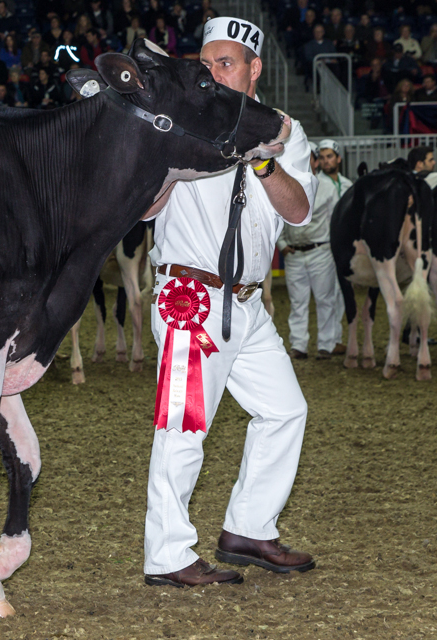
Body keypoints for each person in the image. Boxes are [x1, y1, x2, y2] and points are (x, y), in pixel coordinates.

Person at [142, 17, 318, 588]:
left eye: (226, 63)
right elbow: (143, 209)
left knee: (285, 411)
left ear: (254, 69)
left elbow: (297, 212)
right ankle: (167, 555)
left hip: (247, 303)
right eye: (206, 63)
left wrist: (262, 159)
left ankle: (249, 528)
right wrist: (174, 160)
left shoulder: (287, 132)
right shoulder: (180, 122)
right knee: (185, 426)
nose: (213, 73)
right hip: (188, 295)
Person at [278, 139, 350, 360]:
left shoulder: (328, 187)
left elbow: (337, 221)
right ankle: (298, 345)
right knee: (298, 301)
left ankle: (326, 345)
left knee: (325, 299)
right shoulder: (284, 185)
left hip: (321, 250)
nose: (305, 160)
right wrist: (281, 244)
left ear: (315, 161)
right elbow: (277, 216)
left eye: (309, 157)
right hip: (294, 252)